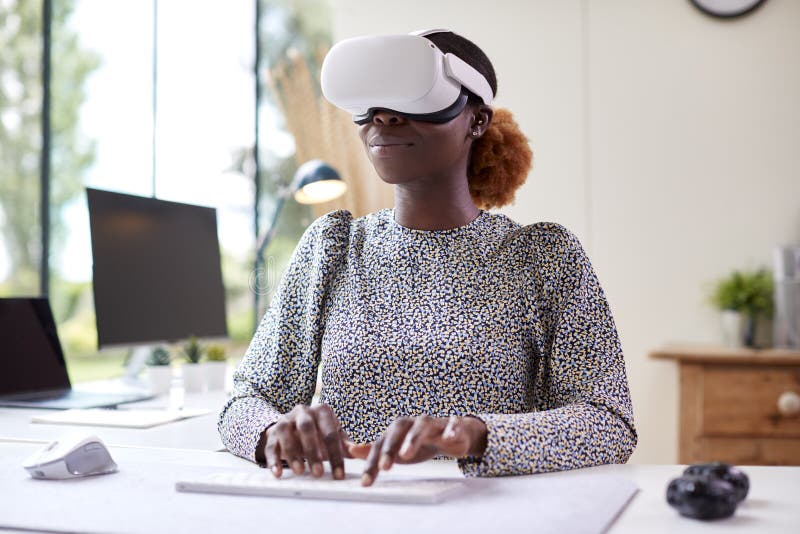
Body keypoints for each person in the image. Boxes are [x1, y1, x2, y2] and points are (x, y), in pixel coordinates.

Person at [218, 29, 637, 486]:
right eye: (372, 104)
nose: (383, 117)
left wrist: (472, 435)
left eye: (414, 99)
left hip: (492, 516)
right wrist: (272, 431)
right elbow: (245, 400)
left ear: (476, 120)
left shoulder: (542, 257)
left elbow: (608, 422)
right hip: (349, 513)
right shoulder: (332, 247)